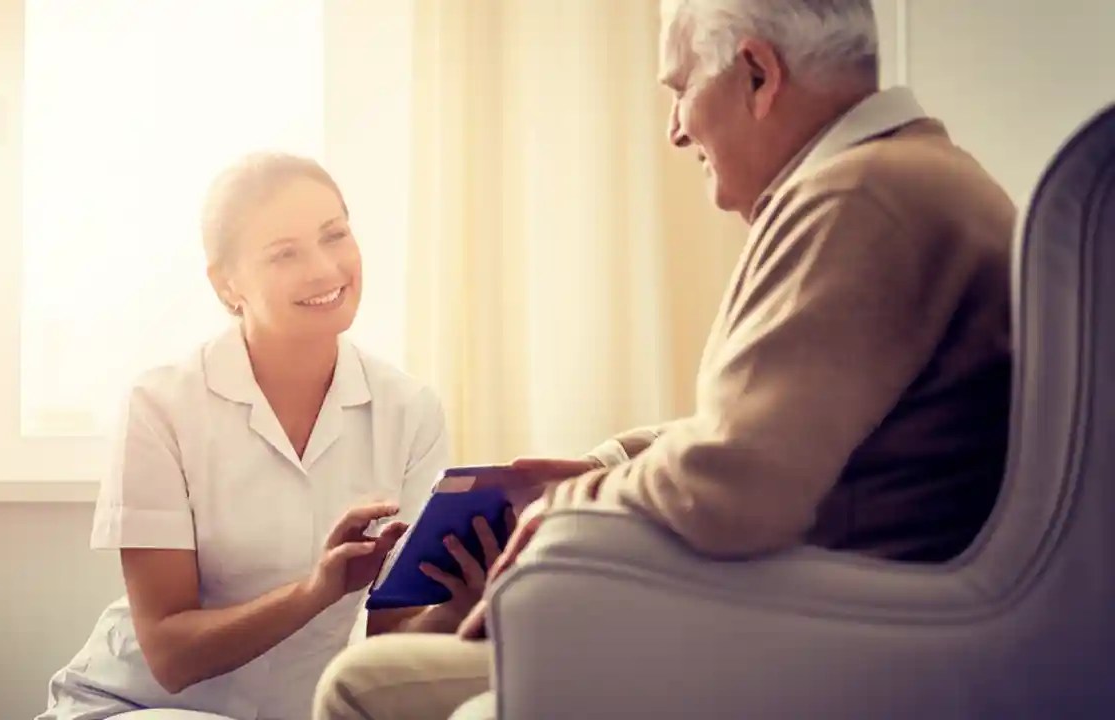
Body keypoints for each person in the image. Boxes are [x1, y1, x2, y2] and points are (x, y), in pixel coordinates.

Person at [313, 0, 1017, 717]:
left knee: (360, 685)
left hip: (819, 638)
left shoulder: (859, 199)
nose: (676, 130)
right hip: (849, 611)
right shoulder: (924, 178)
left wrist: (564, 508)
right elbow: (790, 431)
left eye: (681, 89)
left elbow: (734, 490)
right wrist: (615, 471)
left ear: (756, 73)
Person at [37, 153, 503, 720]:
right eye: (285, 253)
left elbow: (387, 640)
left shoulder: (409, 410)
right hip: (135, 705)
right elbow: (169, 654)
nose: (325, 268)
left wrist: (458, 605)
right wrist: (317, 590)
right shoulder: (161, 405)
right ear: (226, 282)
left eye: (335, 235)